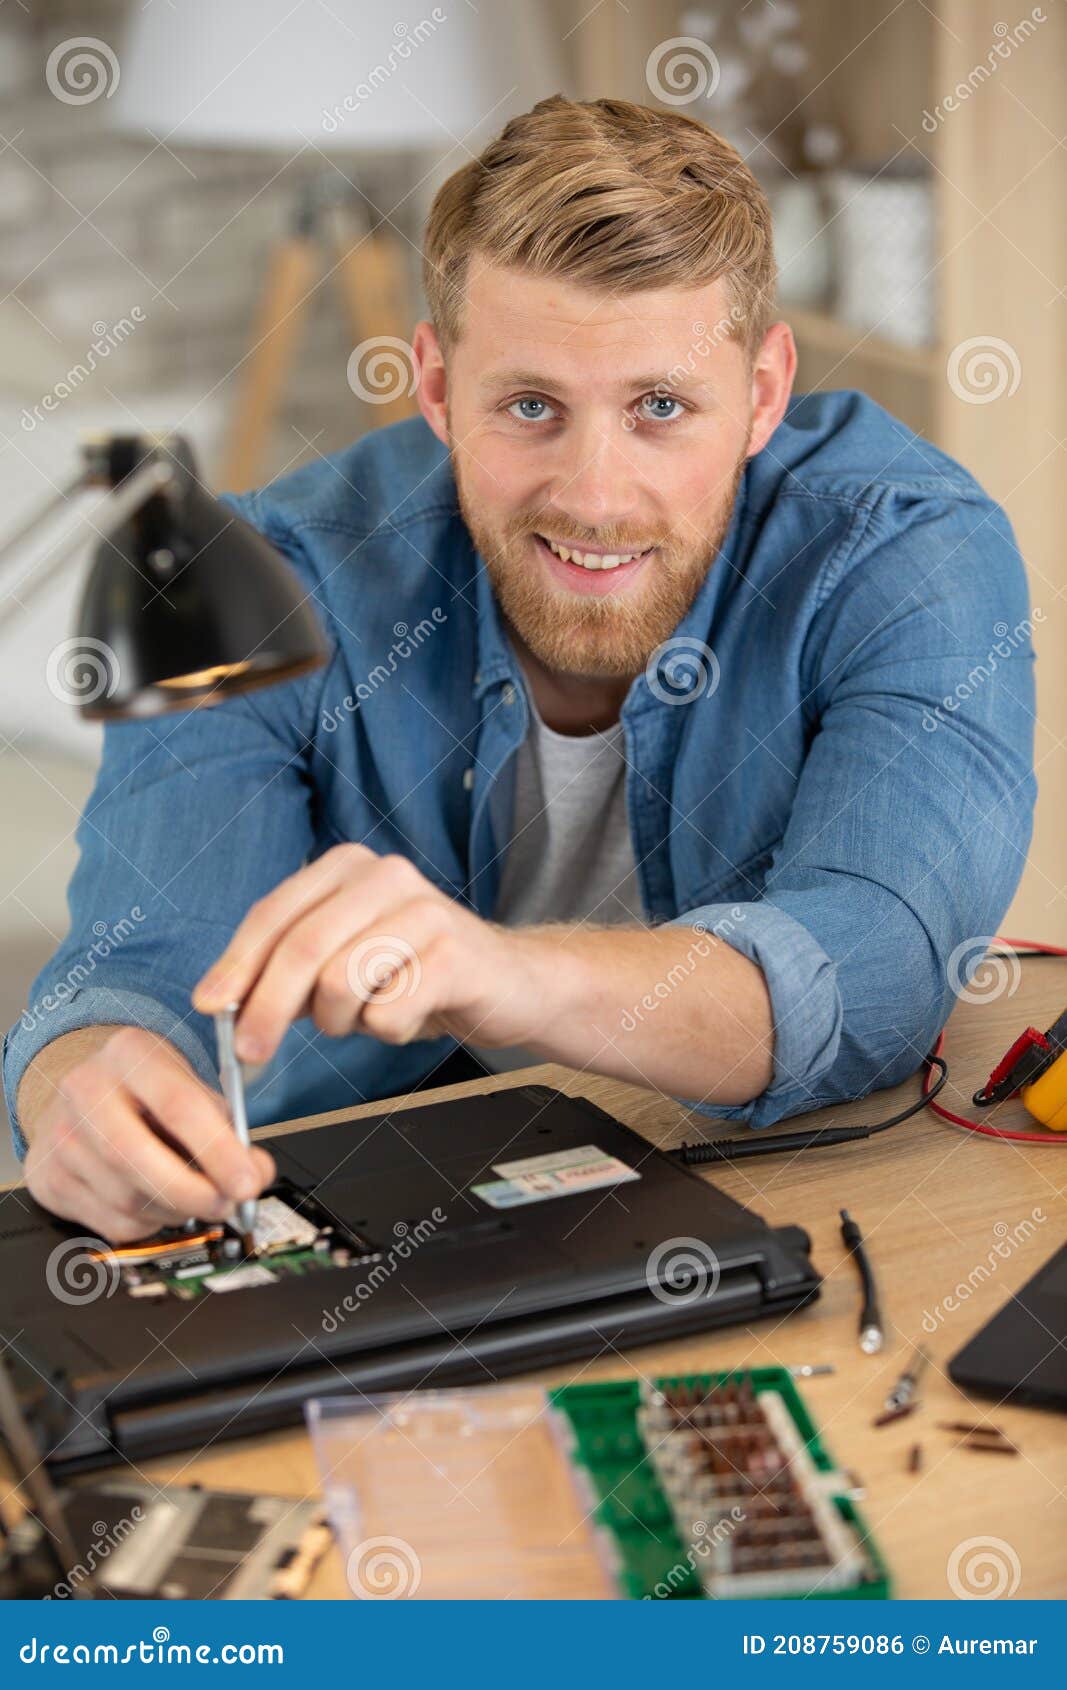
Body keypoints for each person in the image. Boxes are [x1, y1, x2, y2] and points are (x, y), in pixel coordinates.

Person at [4, 97, 1035, 1243]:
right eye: (530, 405)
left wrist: (499, 971)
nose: (593, 495)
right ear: (438, 387)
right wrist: (77, 1089)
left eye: (659, 407)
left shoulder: (902, 550)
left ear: (763, 391)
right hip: (366, 1220)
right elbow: (139, 973)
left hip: (780, 1198)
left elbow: (877, 964)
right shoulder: (237, 581)